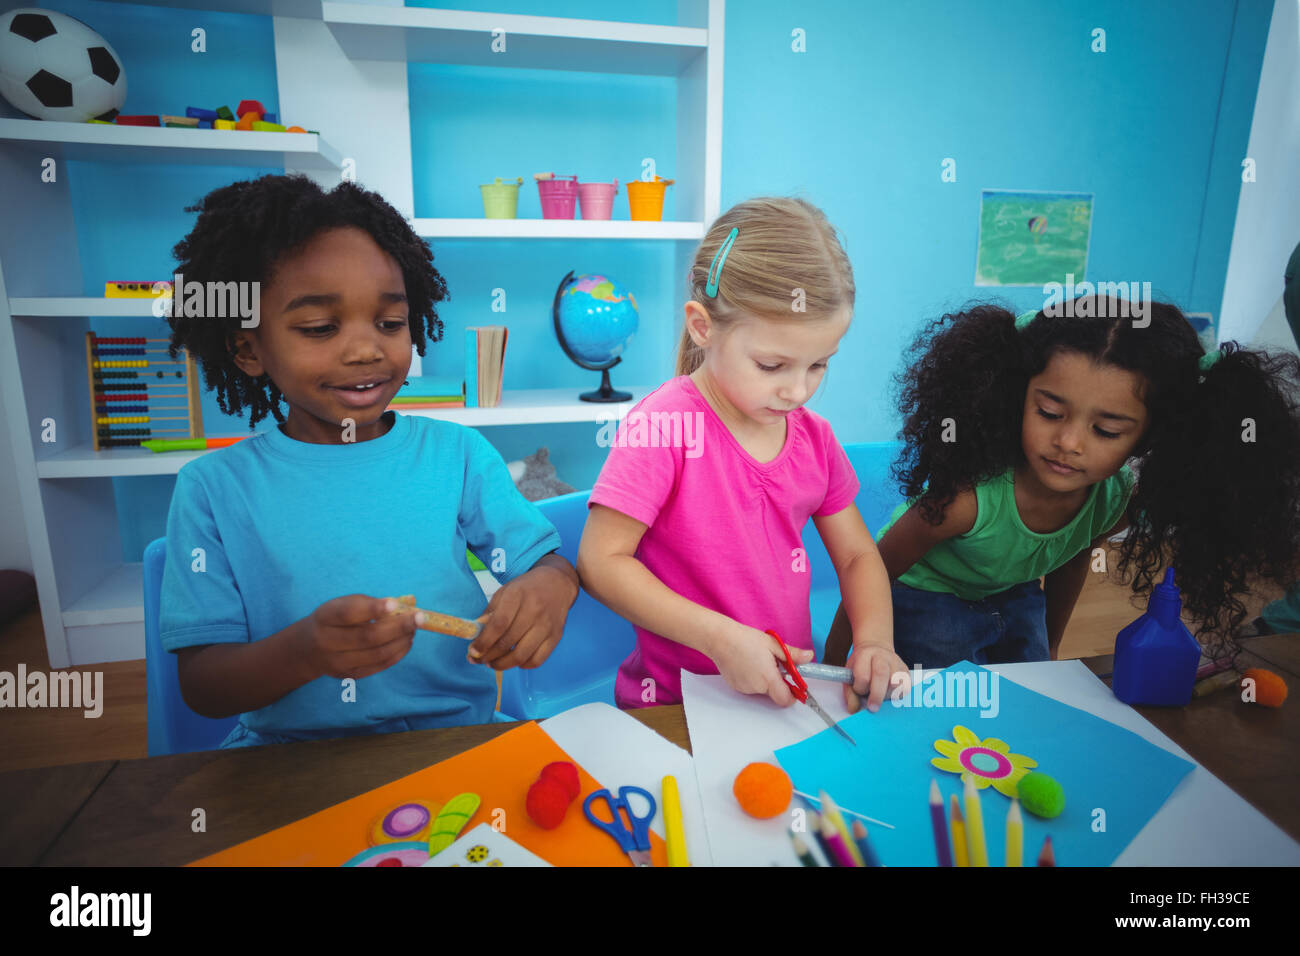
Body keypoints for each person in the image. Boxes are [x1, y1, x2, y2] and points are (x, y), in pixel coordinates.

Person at [160, 174, 578, 748]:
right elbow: (204, 689)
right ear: (249, 349)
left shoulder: (455, 456)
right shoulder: (212, 489)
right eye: (319, 328)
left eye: (390, 323)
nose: (366, 349)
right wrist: (304, 652)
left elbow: (546, 564)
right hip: (288, 763)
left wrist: (553, 587)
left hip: (455, 739)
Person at [825, 296, 1300, 669]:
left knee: (1028, 700)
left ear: (1150, 436)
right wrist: (835, 664)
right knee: (933, 714)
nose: (1069, 442)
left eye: (1106, 431)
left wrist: (1049, 656)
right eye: (1050, 413)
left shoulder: (1116, 502)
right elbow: (867, 571)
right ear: (1017, 396)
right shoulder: (964, 500)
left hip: (1012, 596)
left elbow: (1071, 564)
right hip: (923, 597)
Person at [579, 198, 903, 715]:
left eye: (819, 364)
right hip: (672, 706)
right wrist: (720, 638)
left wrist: (875, 643)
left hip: (782, 699)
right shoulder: (664, 426)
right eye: (772, 365)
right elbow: (600, 562)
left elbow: (859, 555)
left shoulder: (815, 440)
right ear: (703, 327)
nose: (798, 391)